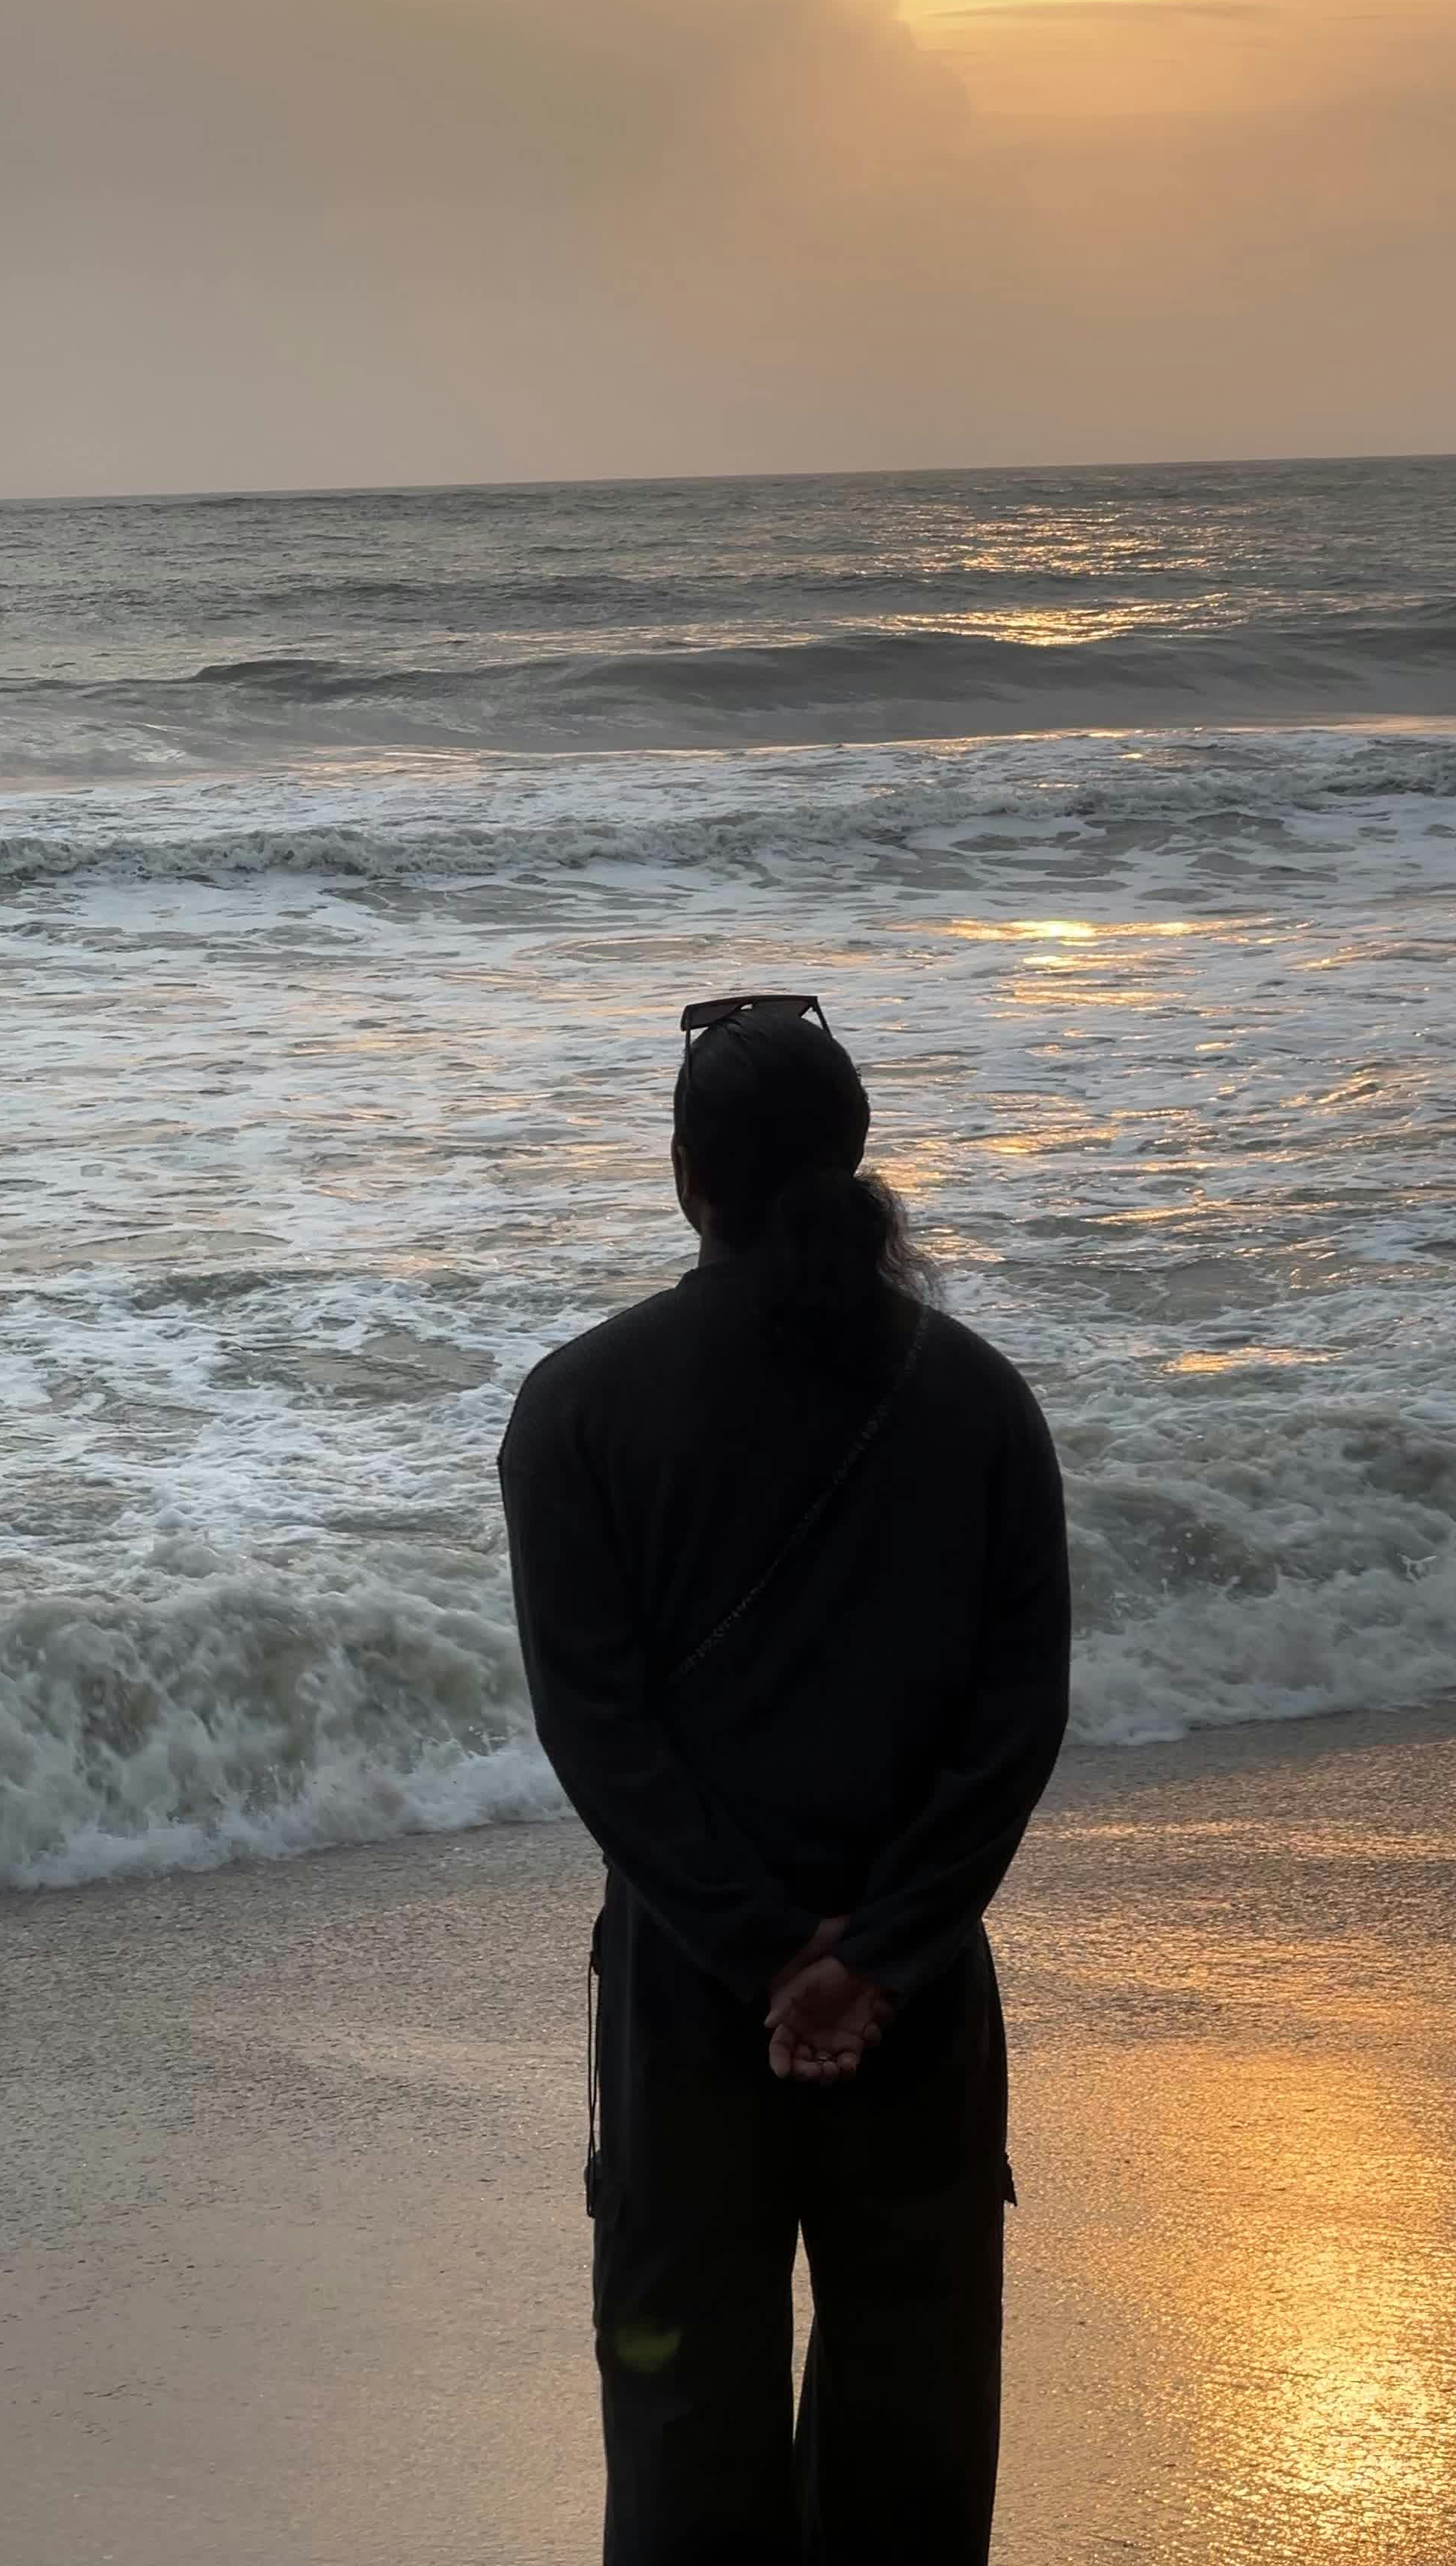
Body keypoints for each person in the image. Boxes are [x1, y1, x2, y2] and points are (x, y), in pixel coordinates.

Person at [497, 993, 1071, 2565]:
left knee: (684, 2409)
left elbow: (597, 1729)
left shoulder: (579, 1406)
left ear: (689, 1177)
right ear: (854, 1156)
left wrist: (767, 1953)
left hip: (690, 1994)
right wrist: (875, 1956)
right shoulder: (979, 1400)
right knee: (915, 2421)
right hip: (919, 1990)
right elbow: (1017, 1721)